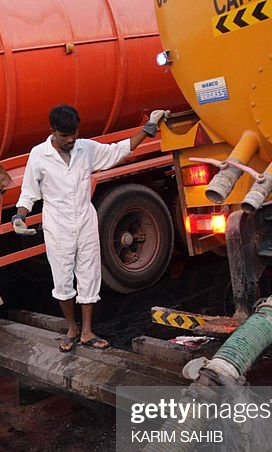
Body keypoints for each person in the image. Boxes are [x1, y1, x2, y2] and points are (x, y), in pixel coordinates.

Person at [15, 104, 168, 352]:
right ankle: (71, 329)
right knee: (63, 280)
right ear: (53, 131)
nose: (72, 139)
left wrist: (148, 129)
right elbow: (28, 193)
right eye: (66, 136)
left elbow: (119, 151)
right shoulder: (39, 155)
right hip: (57, 224)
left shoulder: (86, 148)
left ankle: (87, 332)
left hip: (85, 219)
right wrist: (19, 217)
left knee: (89, 276)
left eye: (74, 133)